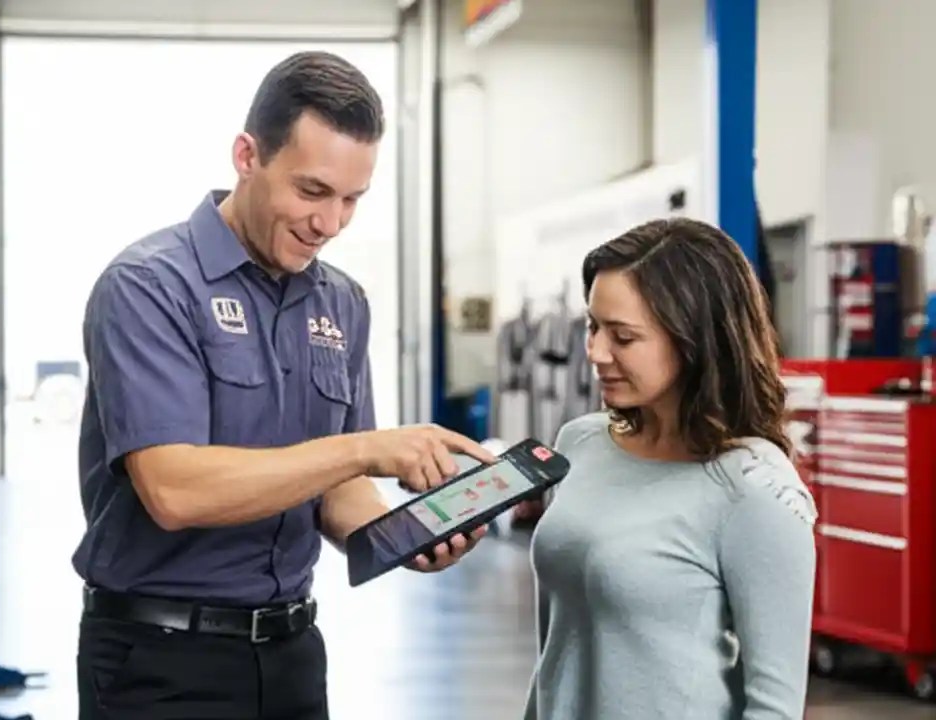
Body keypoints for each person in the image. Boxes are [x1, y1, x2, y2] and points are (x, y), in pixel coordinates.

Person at [74, 50, 497, 720]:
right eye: (311, 191)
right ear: (247, 156)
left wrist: (409, 535)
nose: (329, 224)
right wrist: (366, 450)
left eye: (351, 200)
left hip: (293, 656)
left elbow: (338, 491)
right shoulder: (150, 287)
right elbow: (174, 489)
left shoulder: (343, 303)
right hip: (159, 662)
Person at [523, 218, 817, 719]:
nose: (595, 352)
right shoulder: (582, 443)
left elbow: (776, 705)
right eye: (594, 327)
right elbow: (558, 649)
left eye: (624, 337)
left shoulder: (754, 488)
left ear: (694, 339)